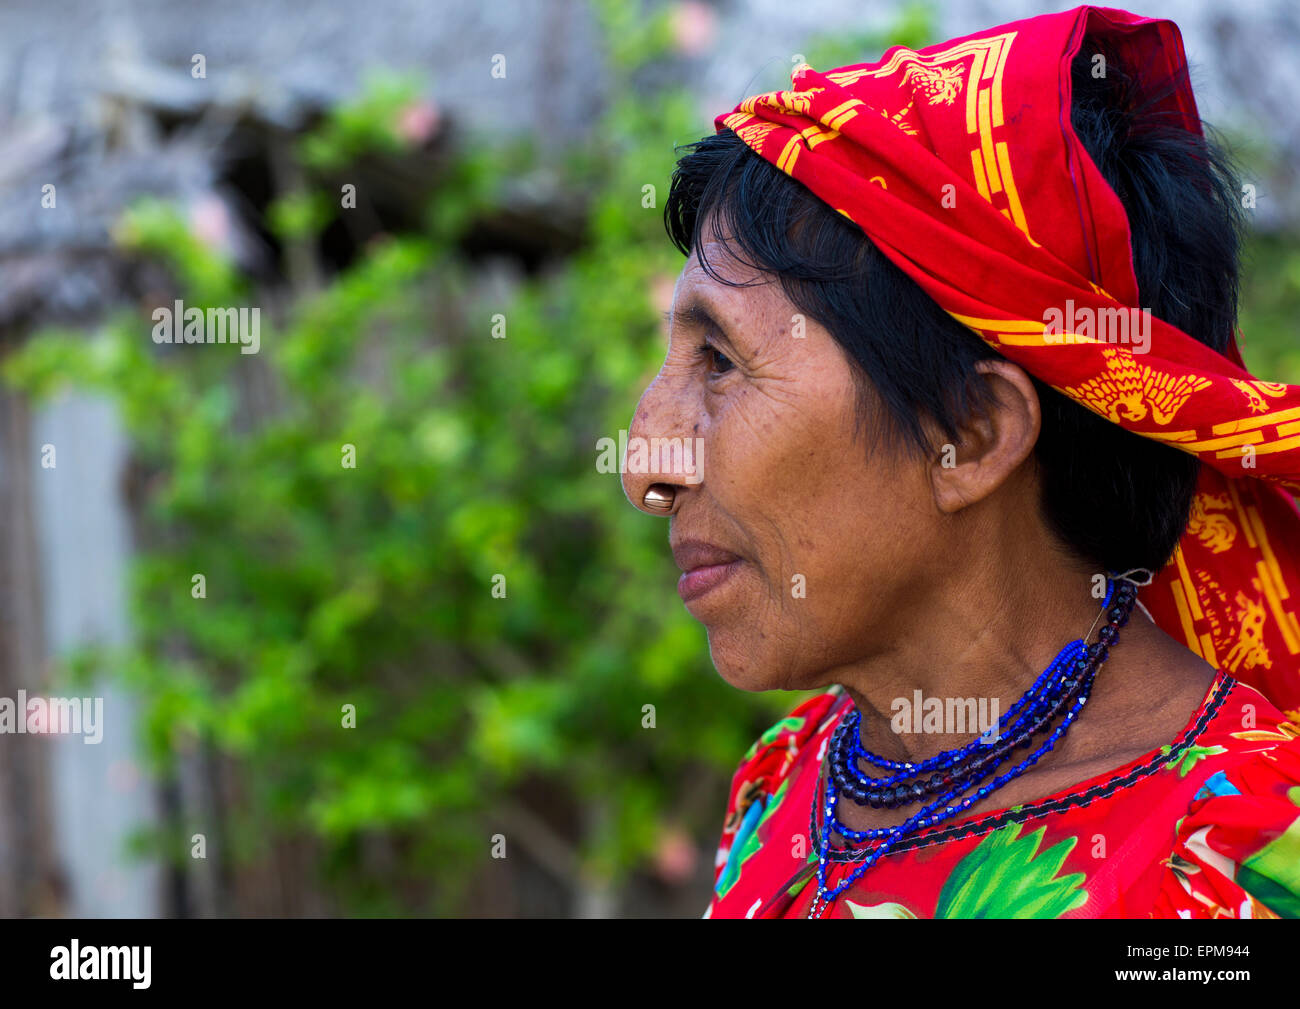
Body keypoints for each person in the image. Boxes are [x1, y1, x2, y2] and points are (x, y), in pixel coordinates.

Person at [621, 5, 1300, 918]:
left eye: (721, 362)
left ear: (973, 432)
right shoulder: (782, 791)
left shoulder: (1244, 854)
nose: (644, 466)